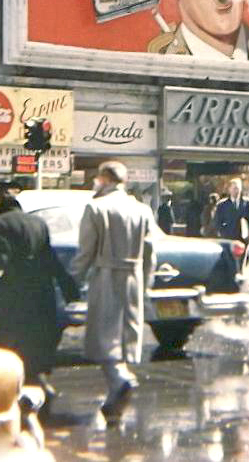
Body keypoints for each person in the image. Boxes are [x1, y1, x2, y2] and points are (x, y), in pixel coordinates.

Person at [70, 160, 157, 424]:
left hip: (106, 275)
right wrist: (146, 282)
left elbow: (86, 251)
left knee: (104, 335)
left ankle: (120, 379)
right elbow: (151, 250)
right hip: (133, 275)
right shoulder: (142, 210)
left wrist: (74, 278)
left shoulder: (95, 207)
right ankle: (114, 393)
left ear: (104, 179)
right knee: (124, 334)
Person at [0, 189, 77, 397]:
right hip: (41, 288)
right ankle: (38, 381)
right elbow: (50, 257)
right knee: (37, 337)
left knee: (8, 335)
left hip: (15, 288)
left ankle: (7, 386)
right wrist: (69, 288)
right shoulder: (39, 223)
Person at [212, 178, 249, 267]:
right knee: (229, 261)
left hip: (243, 237)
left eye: (238, 188)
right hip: (228, 237)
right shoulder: (222, 204)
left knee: (242, 262)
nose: (236, 191)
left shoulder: (248, 203)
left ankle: (240, 274)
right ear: (229, 189)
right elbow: (217, 221)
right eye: (234, 188)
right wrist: (222, 233)